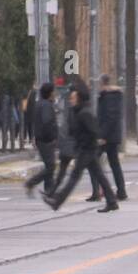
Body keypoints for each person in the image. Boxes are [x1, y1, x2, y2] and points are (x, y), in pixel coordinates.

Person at [44, 83, 119, 213]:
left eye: (73, 98)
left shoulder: (85, 113)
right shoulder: (79, 111)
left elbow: (93, 130)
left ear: (79, 98)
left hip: (87, 149)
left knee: (74, 177)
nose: (71, 100)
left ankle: (57, 201)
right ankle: (112, 201)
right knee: (100, 176)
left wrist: (94, 140)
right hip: (86, 149)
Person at [24, 83, 59, 197]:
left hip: (42, 139)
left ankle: (49, 190)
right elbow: (46, 122)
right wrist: (52, 136)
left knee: (50, 165)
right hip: (45, 140)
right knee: (51, 166)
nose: (55, 93)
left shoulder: (42, 104)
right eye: (54, 91)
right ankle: (31, 183)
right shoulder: (46, 106)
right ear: (50, 93)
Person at [97, 74, 128, 201]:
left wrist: (103, 136)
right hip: (111, 135)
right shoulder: (112, 96)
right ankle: (120, 191)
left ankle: (102, 191)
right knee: (114, 164)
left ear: (102, 84)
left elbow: (109, 118)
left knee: (93, 161)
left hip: (107, 137)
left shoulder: (108, 97)